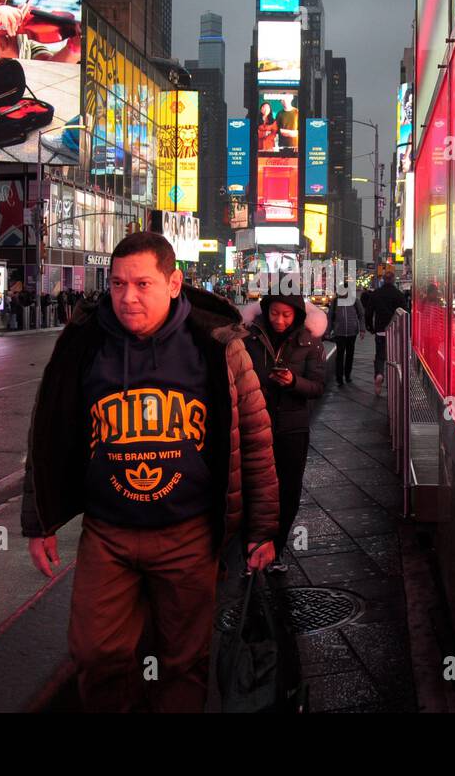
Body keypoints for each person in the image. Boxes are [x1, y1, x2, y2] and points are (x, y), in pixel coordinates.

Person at [21, 231, 279, 712]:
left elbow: (257, 438)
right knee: (95, 653)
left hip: (189, 536)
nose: (127, 297)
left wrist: (263, 529)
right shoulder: (85, 341)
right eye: (117, 284)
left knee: (183, 662)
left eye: (142, 284)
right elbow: (48, 433)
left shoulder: (217, 345)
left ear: (174, 282)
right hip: (107, 536)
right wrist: (40, 521)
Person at [242, 293, 326, 573]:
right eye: (275, 313)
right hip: (256, 426)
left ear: (297, 316)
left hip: (292, 429)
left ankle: (276, 549)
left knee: (287, 491)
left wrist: (292, 382)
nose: (279, 320)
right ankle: (252, 549)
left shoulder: (310, 342)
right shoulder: (248, 340)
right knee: (253, 489)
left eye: (286, 315)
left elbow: (317, 387)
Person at [365, 272, 409, 396]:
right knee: (394, 357)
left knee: (380, 356)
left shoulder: (376, 294)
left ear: (383, 280)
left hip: (380, 330)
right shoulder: (398, 294)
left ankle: (379, 374)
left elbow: (368, 313)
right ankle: (393, 383)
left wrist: (370, 327)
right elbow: (406, 312)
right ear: (393, 280)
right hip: (395, 331)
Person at [326, 286, 366, 387]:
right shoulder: (335, 302)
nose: (341, 295)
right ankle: (339, 378)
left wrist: (362, 329)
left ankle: (347, 375)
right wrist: (328, 331)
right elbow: (330, 317)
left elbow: (361, 315)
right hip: (339, 333)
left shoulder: (355, 301)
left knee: (350, 355)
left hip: (352, 332)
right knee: (339, 356)